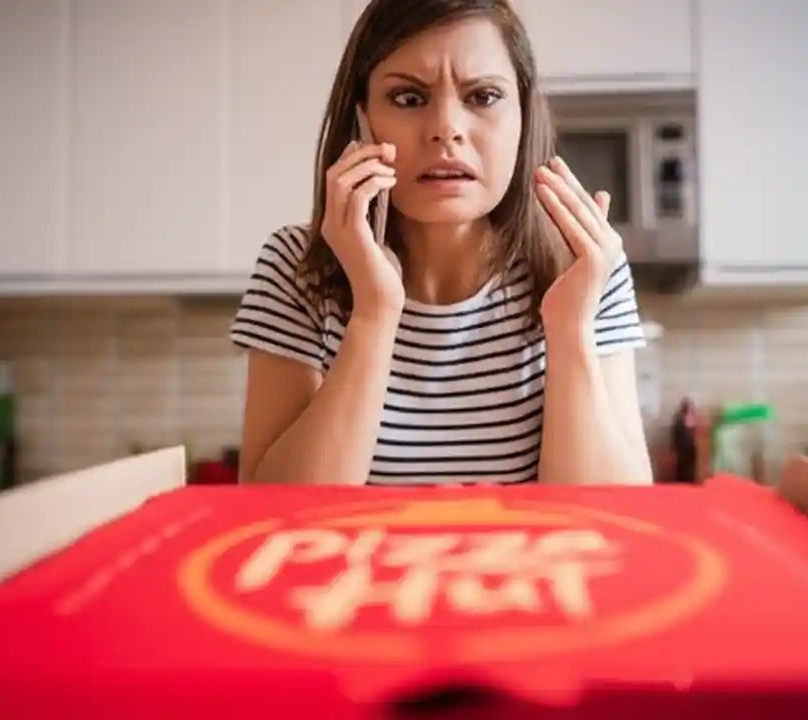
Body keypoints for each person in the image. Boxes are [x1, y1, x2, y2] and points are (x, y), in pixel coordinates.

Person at [229, 0, 651, 486]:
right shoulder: (295, 267)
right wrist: (374, 312)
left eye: (483, 96)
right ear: (362, 119)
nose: (446, 130)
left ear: (523, 116)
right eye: (408, 98)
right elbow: (274, 510)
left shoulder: (585, 266)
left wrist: (570, 327)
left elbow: (610, 515)